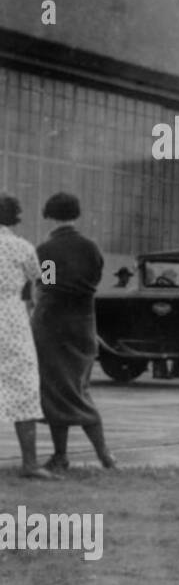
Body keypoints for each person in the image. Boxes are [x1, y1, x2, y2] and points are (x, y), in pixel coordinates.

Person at [31, 192, 115, 471]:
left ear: (49, 215)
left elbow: (48, 285)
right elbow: (94, 278)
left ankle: (63, 455)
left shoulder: (46, 250)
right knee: (79, 387)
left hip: (53, 324)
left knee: (56, 390)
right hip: (84, 323)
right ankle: (102, 454)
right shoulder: (91, 248)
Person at [0, 194, 56, 479]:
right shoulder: (22, 247)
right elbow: (45, 278)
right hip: (11, 319)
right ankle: (30, 463)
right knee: (22, 385)